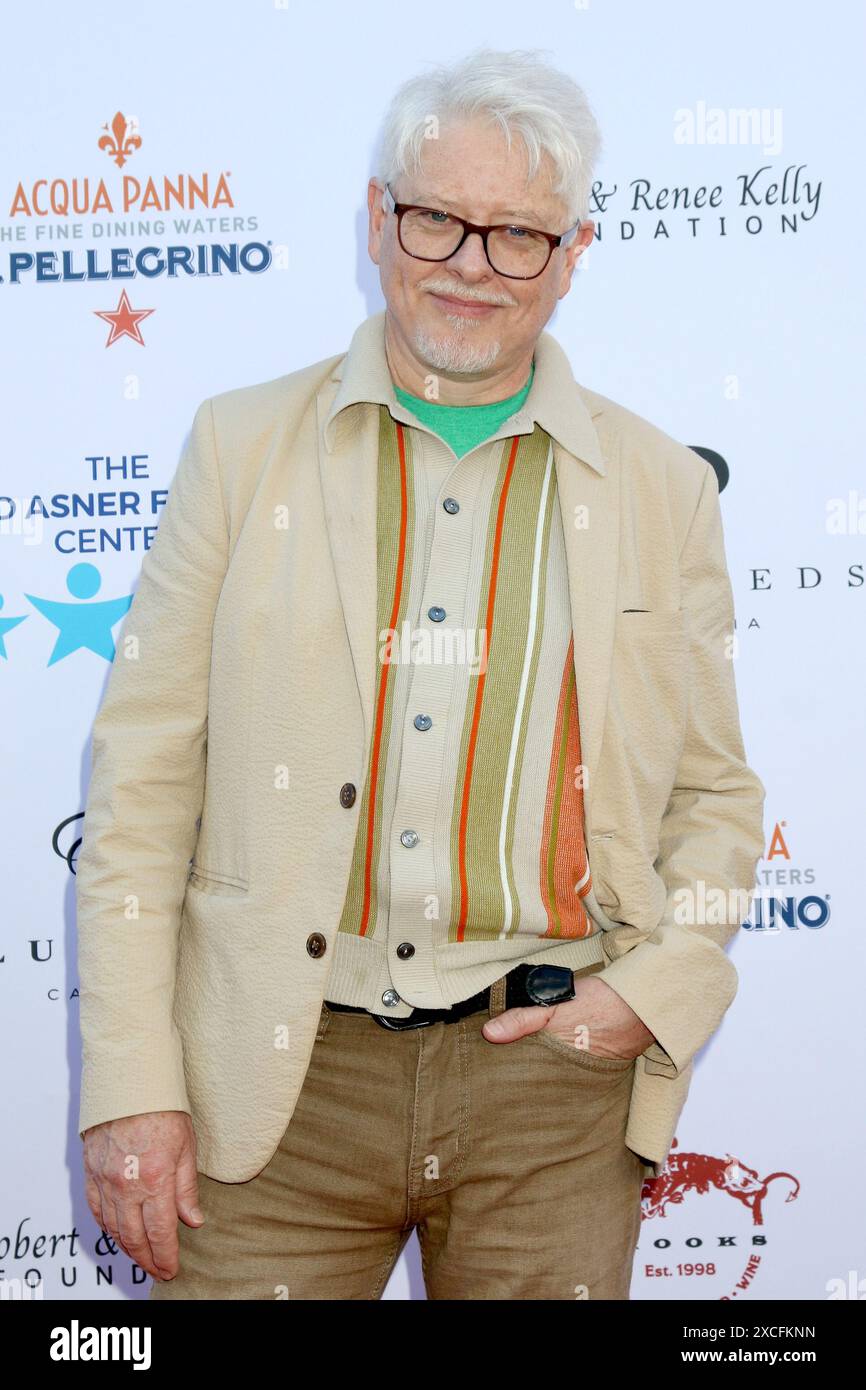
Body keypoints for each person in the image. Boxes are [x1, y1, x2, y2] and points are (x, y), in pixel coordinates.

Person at [77, 47, 765, 1301]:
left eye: (516, 236)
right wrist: (130, 1084)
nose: (469, 263)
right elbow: (141, 782)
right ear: (378, 218)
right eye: (437, 217)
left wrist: (651, 993)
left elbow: (714, 796)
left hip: (547, 1090)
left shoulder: (661, 487)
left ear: (571, 257)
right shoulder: (238, 447)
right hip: (270, 1086)